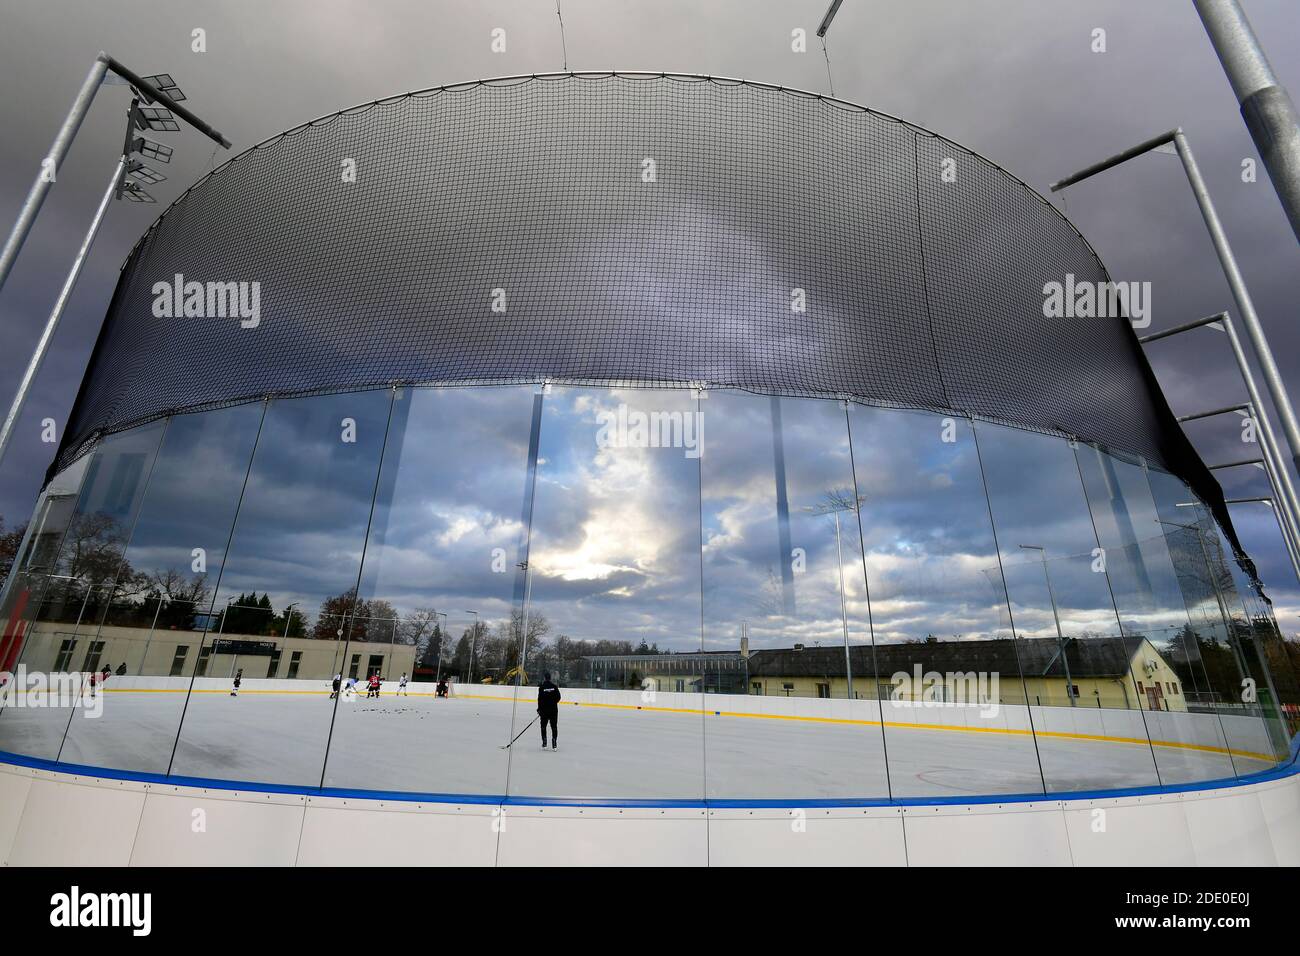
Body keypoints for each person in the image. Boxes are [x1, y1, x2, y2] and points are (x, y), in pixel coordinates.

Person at [537, 672, 561, 751]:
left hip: (544, 711)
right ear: (550, 678)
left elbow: (539, 700)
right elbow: (558, 697)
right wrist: (552, 702)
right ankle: (554, 743)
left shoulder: (541, 687)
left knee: (543, 727)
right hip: (553, 710)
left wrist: (539, 709)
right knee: (554, 727)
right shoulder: (554, 687)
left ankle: (544, 742)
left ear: (544, 678)